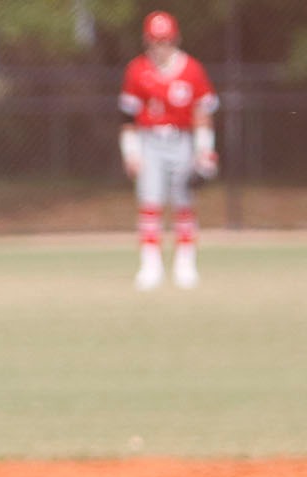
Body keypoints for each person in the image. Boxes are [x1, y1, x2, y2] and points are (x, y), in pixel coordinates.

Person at [118, 9, 219, 290]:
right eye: (155, 41)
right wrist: (131, 152)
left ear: (175, 40)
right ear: (147, 41)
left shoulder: (192, 69)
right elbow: (128, 117)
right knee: (150, 204)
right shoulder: (137, 70)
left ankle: (185, 264)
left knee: (184, 204)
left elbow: (202, 113)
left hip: (182, 141)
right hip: (150, 141)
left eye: (165, 41)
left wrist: (204, 150)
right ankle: (150, 265)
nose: (160, 48)